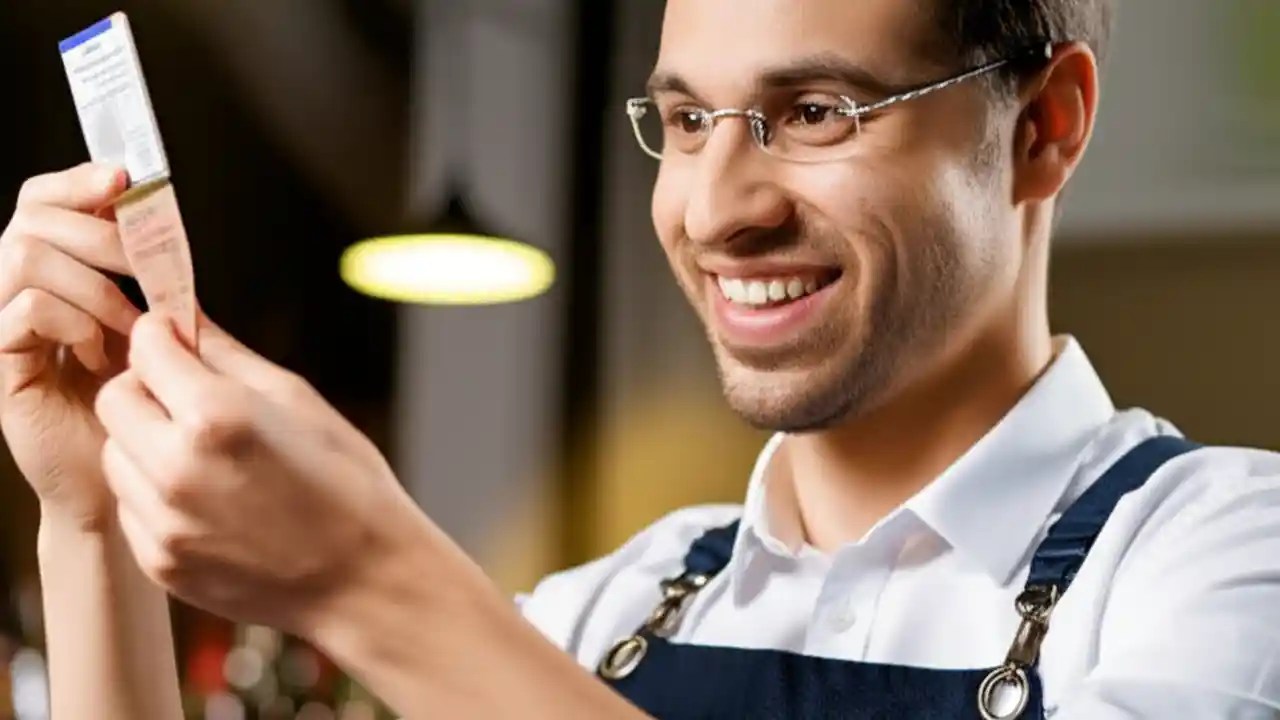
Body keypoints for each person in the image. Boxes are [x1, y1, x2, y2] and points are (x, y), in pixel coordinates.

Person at [3, 0, 1279, 718]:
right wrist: (94, 524)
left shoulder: (1217, 562)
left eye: (815, 112)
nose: (715, 207)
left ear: (1043, 128)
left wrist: (367, 581)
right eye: (680, 121)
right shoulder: (608, 610)